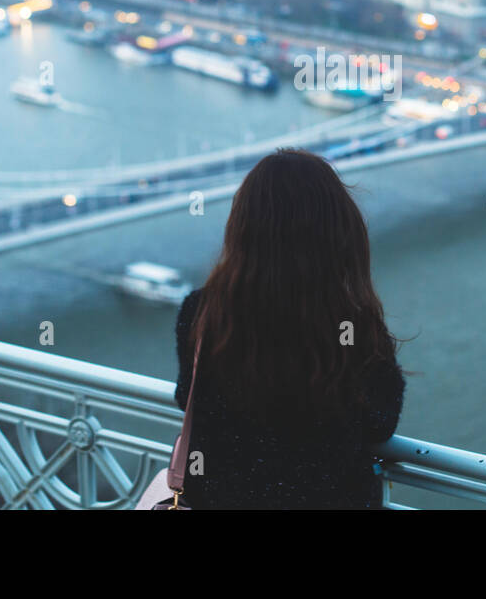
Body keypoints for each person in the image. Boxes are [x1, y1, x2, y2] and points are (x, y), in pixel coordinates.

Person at [172, 148, 405, 508]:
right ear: (338, 231)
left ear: (242, 226)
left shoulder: (203, 311)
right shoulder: (351, 324)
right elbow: (380, 423)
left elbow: (188, 397)